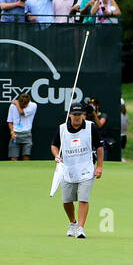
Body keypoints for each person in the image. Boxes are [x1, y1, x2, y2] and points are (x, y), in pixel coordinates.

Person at [52, 102, 104, 238]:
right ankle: (73, 222)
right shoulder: (62, 128)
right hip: (68, 170)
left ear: (83, 115)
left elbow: (99, 147)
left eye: (79, 114)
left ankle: (80, 228)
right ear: (69, 115)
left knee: (83, 199)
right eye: (74, 114)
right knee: (67, 201)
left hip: (86, 169)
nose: (76, 117)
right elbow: (54, 145)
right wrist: (57, 156)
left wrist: (99, 166)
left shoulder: (91, 127)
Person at [7, 90, 38, 160]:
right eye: (21, 105)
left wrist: (17, 103)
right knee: (13, 158)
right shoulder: (12, 106)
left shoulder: (33, 106)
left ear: (28, 102)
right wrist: (12, 132)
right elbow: (10, 122)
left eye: (25, 105)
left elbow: (21, 112)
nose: (23, 107)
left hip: (27, 134)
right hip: (15, 134)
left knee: (26, 157)